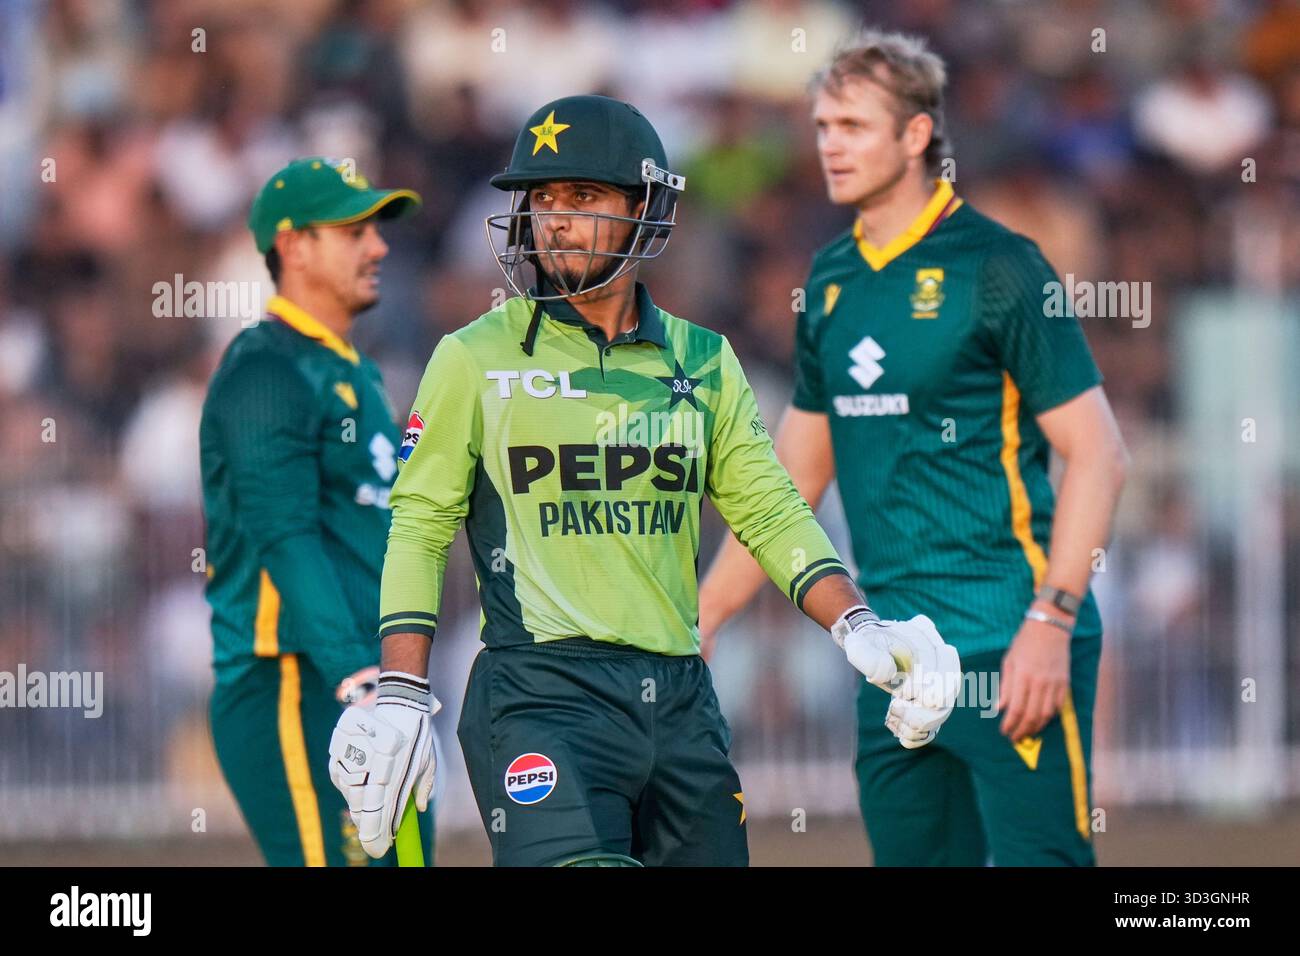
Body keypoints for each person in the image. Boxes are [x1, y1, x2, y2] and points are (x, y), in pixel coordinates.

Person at [327, 95, 962, 867]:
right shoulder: (471, 359)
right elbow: (420, 527)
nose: (553, 220)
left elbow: (767, 510)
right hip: (538, 696)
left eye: (583, 198)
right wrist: (401, 692)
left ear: (645, 209)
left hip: (681, 702)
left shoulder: (703, 361)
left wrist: (858, 624)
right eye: (542, 200)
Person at [698, 31, 1130, 866]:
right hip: (893, 656)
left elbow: (1100, 452)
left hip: (1011, 643)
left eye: (853, 125)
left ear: (916, 135)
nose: (829, 144)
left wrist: (1051, 620)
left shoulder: (999, 266)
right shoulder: (827, 280)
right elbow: (787, 485)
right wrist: (703, 616)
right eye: (822, 125)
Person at [200, 157, 434, 866]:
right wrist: (361, 681)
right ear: (294, 245)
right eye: (355, 230)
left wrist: (394, 684)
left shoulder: (354, 369)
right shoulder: (266, 370)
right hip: (293, 685)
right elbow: (285, 534)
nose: (379, 247)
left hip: (364, 685)